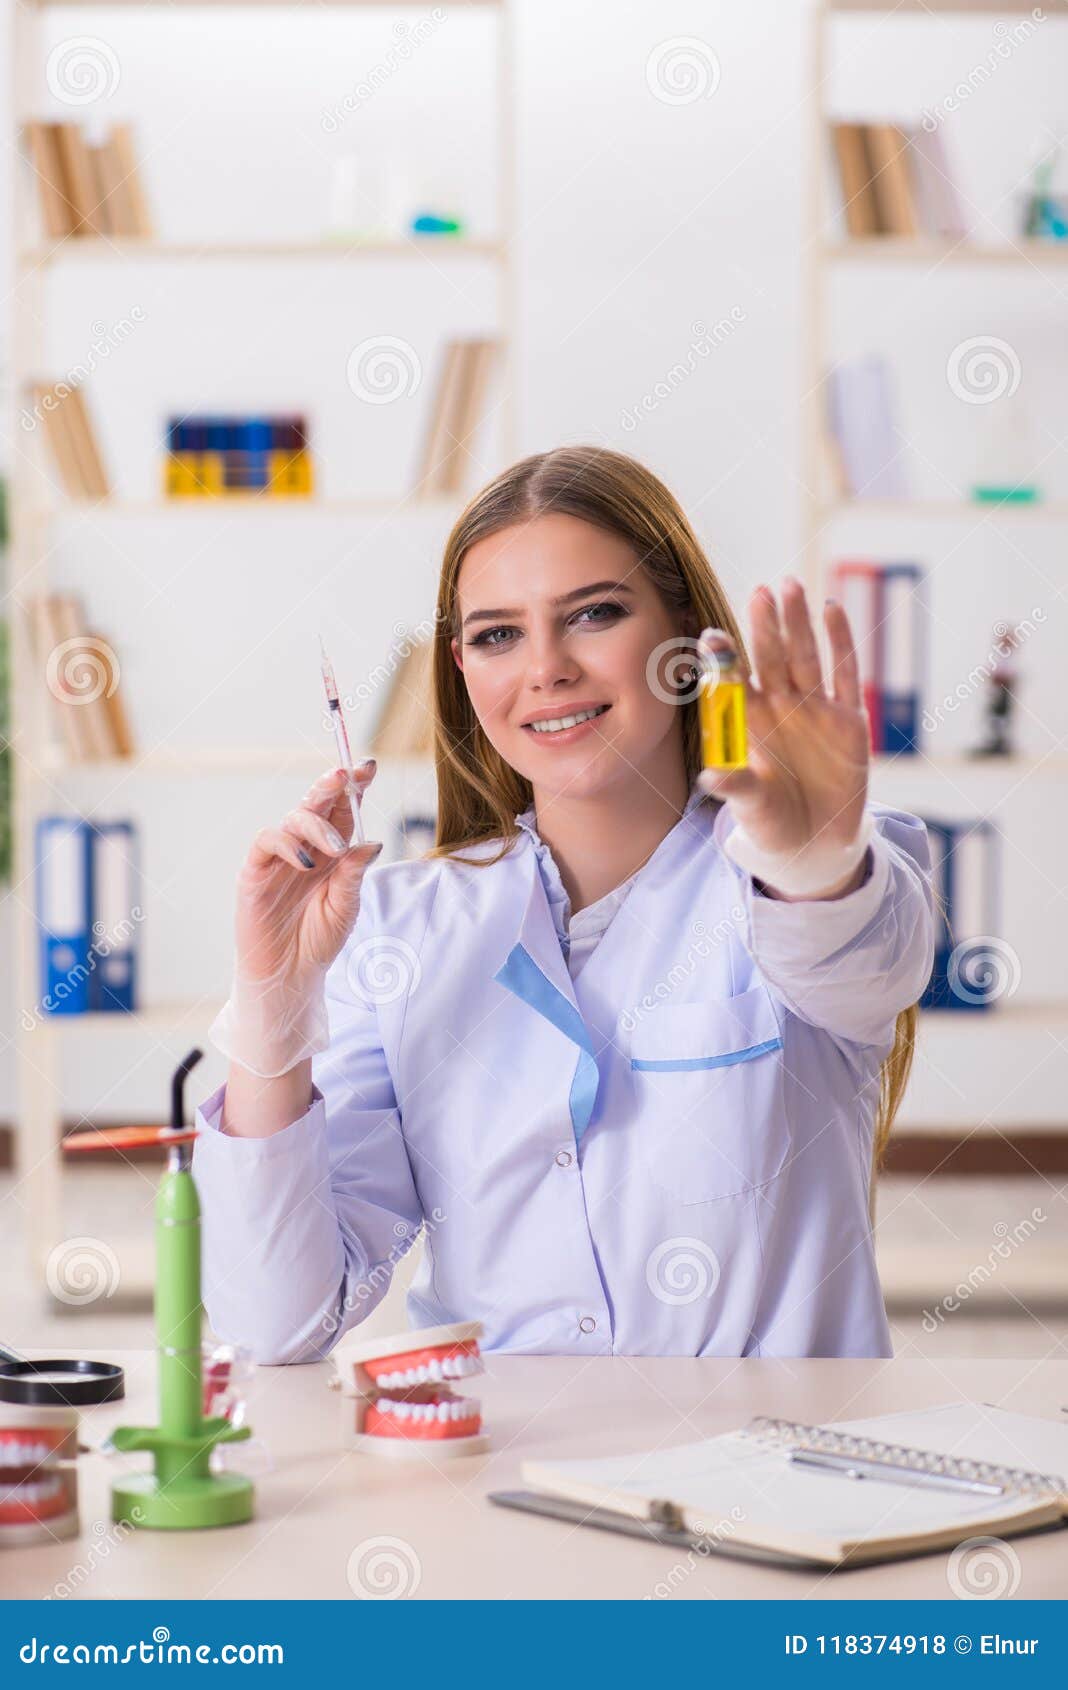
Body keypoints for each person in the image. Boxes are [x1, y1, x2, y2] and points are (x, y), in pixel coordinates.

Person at [194, 446, 934, 1364]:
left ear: (684, 640)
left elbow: (868, 967)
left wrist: (812, 858)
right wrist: (274, 1004)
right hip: (504, 1476)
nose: (545, 669)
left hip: (771, 1486)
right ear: (462, 668)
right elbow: (277, 1324)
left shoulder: (809, 877)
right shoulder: (396, 926)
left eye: (594, 614)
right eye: (498, 634)